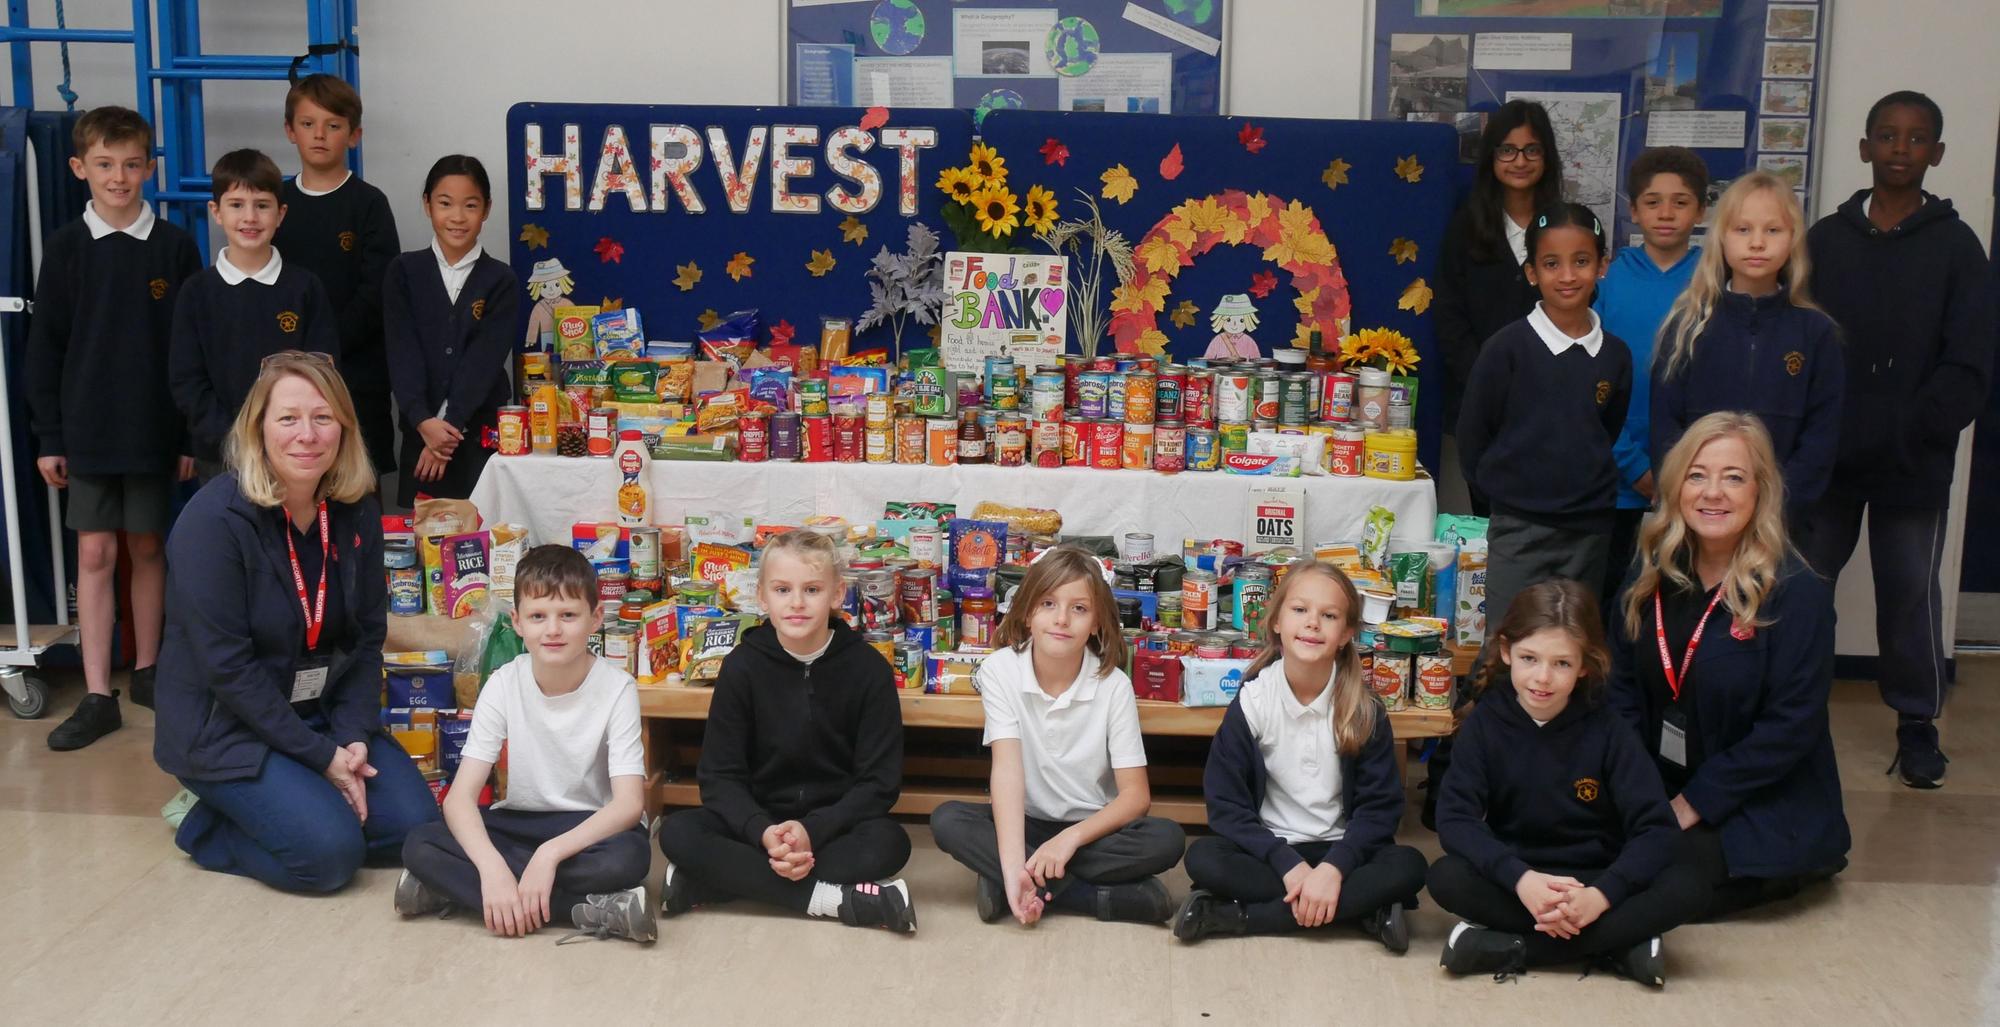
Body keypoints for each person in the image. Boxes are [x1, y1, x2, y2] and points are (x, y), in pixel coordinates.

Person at [153, 352, 438, 893]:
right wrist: (323, 759)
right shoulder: (212, 523)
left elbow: (366, 639)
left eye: (322, 417)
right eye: (288, 418)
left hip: (322, 715)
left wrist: (351, 738)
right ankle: (207, 825)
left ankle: (300, 799)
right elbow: (229, 670)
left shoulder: (355, 512)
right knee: (328, 859)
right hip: (227, 728)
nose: (306, 435)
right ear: (258, 428)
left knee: (416, 830)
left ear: (344, 429)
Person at [1802, 90, 1998, 788]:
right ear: (1864, 147)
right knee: (1801, 589)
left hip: (1913, 463)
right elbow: (1802, 342)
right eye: (1886, 136)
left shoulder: (1956, 246)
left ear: (1936, 154)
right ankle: (1791, 717)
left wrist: (1918, 428)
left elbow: (1970, 360)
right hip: (1827, 462)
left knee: (1908, 594)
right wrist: (1813, 431)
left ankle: (1917, 726)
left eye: (1917, 139)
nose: (1900, 149)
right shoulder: (1823, 240)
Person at [1610, 412, 1851, 919]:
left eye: (1733, 477)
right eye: (1697, 475)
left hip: (1759, 806)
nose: (1712, 492)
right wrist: (1640, 793)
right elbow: (1622, 692)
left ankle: (1561, 943)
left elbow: (1790, 728)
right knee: (1581, 843)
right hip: (1666, 787)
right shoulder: (1651, 574)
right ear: (1676, 488)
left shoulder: (1796, 593)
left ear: (1761, 492)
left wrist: (1692, 803)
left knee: (1655, 873)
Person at [1428, 580, 1708, 987]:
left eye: (1562, 663)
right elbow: (1454, 820)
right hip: (1521, 881)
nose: (1542, 678)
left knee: (1689, 883)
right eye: (1529, 658)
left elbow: (1655, 827)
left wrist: (1600, 896)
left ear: (1584, 666)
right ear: (1507, 652)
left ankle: (1515, 947)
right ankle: (1619, 945)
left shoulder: (1609, 728)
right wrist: (1521, 879)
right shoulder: (1485, 724)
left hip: (1597, 877)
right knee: (1445, 877)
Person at [26, 106, 201, 747]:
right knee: (96, 554)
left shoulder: (175, 246)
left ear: (150, 168)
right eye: (104, 165)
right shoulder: (68, 249)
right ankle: (99, 693)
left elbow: (188, 351)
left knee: (148, 548)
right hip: (89, 433)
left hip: (154, 432)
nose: (119, 177)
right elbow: (45, 348)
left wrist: (185, 435)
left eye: (131, 164)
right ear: (80, 169)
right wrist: (50, 436)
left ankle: (148, 671)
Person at [657, 530, 916, 932]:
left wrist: (812, 831)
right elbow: (719, 778)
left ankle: (717, 881)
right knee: (678, 832)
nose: (796, 603)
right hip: (758, 825)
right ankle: (832, 900)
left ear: (836, 595)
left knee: (891, 842)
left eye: (812, 589)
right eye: (782, 590)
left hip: (830, 827)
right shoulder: (742, 667)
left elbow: (879, 784)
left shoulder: (869, 671)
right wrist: (763, 832)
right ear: (762, 597)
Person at [397, 545, 654, 944]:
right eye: (538, 616)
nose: (552, 630)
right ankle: (587, 909)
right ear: (517, 622)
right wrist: (492, 868)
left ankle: (455, 892)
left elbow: (627, 805)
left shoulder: (618, 688)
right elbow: (459, 799)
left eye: (568, 615)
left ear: (596, 618)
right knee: (421, 843)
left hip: (585, 828)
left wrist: (548, 855)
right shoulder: (502, 682)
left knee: (631, 857)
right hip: (518, 822)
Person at [1174, 561, 1427, 949]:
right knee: (1204, 858)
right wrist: (1289, 867)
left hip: (1341, 849)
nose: (1312, 623)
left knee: (1409, 866)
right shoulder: (1254, 701)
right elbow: (1226, 807)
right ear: (1276, 621)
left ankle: (1239, 917)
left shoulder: (1364, 710)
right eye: (1299, 610)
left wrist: (1334, 869)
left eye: (1328, 616)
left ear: (1345, 634)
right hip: (1271, 851)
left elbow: (1380, 810)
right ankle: (1362, 911)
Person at [930, 547, 1186, 926]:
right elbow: (1007, 772)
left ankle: (1006, 884)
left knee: (1167, 839)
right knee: (947, 820)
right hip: (1027, 820)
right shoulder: (1000, 670)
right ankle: (1087, 896)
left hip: (1091, 830)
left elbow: (1136, 797)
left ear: (1097, 622)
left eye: (1079, 609)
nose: (1062, 619)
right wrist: (1016, 858)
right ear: (1028, 611)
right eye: (1048, 603)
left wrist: (1067, 842)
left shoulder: (1112, 685)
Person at [1455, 202, 1632, 643]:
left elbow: (1605, 429)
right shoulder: (1506, 349)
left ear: (1602, 266)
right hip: (1519, 529)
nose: (1568, 276)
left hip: (1589, 531)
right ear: (1532, 272)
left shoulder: (1615, 356)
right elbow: (1473, 435)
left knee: (1575, 644)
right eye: (1552, 264)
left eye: (1581, 261)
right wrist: (1507, 494)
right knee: (1510, 644)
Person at [1648, 172, 1843, 517]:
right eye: (1742, 229)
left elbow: (1821, 437)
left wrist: (1776, 506)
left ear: (1793, 239)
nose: (1757, 243)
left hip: (1782, 521)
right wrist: (1690, 497)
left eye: (1772, 230)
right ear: (1721, 237)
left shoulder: (1816, 333)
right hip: (1700, 514)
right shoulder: (1687, 327)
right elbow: (1666, 428)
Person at [170, 148, 339, 478]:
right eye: (236, 205)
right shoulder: (196, 292)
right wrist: (237, 437)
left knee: (289, 530)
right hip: (221, 456)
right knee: (229, 531)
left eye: (262, 205)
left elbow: (322, 373)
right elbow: (187, 381)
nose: (250, 217)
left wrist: (284, 432)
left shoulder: (305, 288)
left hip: (293, 452)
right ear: (215, 212)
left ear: (281, 213)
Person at [1434, 99, 1562, 513]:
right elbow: (1450, 316)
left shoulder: (1563, 226)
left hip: (1551, 403)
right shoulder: (1466, 226)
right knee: (1493, 526)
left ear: (1547, 156)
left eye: (1532, 150)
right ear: (1491, 157)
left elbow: (1579, 308)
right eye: (1507, 150)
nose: (1519, 161)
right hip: (1482, 405)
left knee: (1547, 521)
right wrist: (1486, 384)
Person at [1596, 147, 1709, 612]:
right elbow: (1592, 387)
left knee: (1684, 600)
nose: (1666, 213)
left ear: (1701, 210)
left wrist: (1683, 472)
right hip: (1618, 476)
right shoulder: (1607, 281)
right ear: (1633, 209)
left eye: (1681, 202)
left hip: (1696, 476)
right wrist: (1636, 468)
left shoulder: (1716, 279)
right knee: (1610, 599)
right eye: (1653, 201)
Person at [274, 74, 401, 480]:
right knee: (292, 485)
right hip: (285, 374)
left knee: (359, 485)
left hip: (356, 374)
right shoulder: (276, 203)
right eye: (308, 124)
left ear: (354, 135)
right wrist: (296, 357)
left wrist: (325, 350)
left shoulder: (369, 204)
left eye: (333, 125)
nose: (320, 135)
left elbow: (377, 291)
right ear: (290, 131)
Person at [383, 155, 519, 508]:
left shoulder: (500, 280)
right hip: (420, 431)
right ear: (427, 204)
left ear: (486, 209)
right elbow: (402, 352)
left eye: (470, 205)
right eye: (445, 204)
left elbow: (484, 361)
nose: (457, 217)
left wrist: (447, 431)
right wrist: (424, 422)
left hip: (477, 434)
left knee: (481, 534)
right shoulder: (404, 272)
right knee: (423, 542)